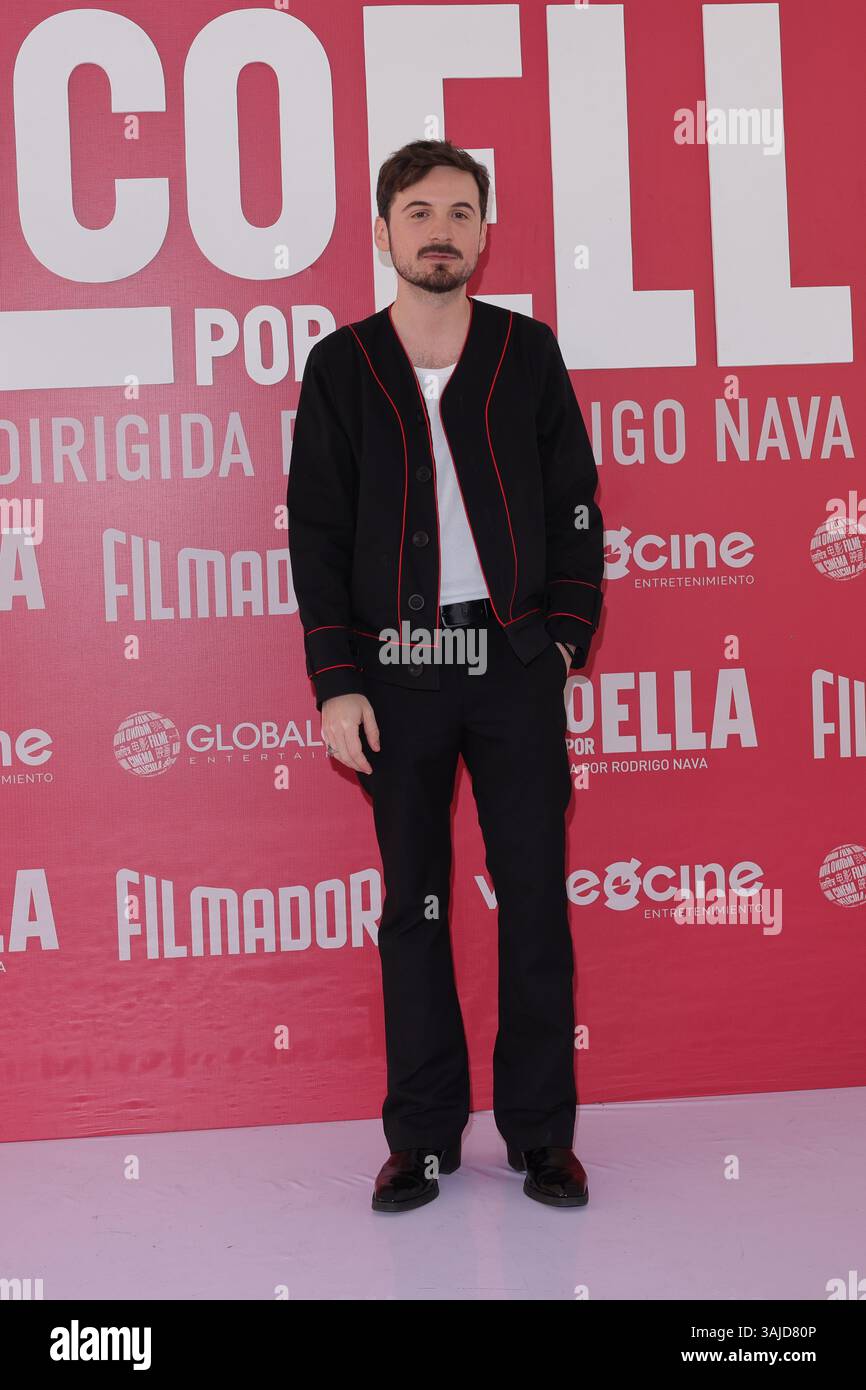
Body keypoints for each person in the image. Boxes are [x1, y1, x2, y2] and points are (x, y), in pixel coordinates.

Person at [287, 139, 604, 1213]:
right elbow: (319, 532)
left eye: (459, 212)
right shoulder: (342, 366)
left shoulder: (526, 351)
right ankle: (421, 1139)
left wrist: (561, 635)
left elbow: (574, 501)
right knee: (413, 910)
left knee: (532, 908)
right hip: (399, 672)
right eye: (416, 211)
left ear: (483, 232)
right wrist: (338, 679)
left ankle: (540, 1139)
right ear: (382, 233)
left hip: (508, 661)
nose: (438, 229)